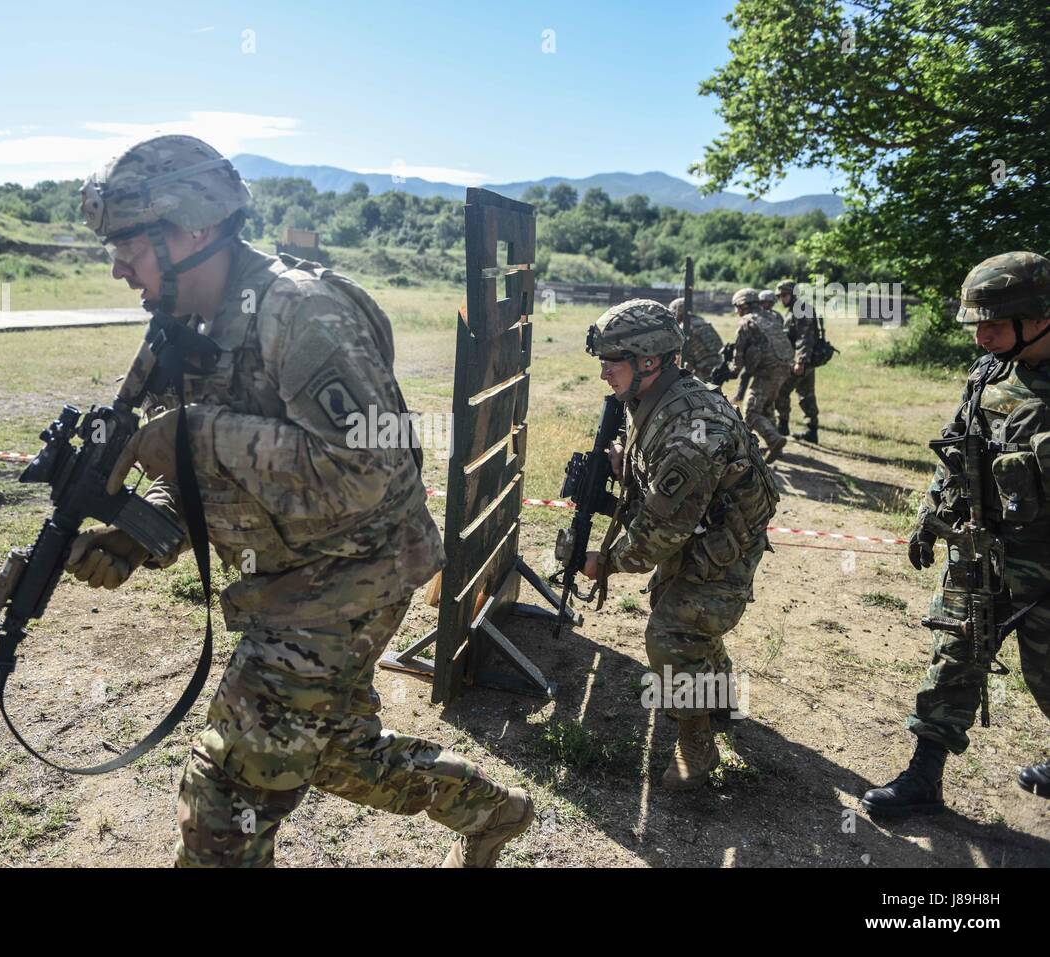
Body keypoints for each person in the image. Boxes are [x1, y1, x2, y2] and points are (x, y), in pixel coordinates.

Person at [67, 134, 532, 866]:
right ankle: (493, 810)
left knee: (226, 797)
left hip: (353, 575)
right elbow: (196, 468)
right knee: (336, 756)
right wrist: (140, 532)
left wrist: (198, 434)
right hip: (287, 576)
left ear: (191, 227)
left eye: (128, 241)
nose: (117, 263)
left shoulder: (301, 313)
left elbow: (365, 469)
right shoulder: (181, 321)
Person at [862, 252, 1050, 816]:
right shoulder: (991, 373)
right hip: (981, 552)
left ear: (1039, 315)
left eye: (994, 324)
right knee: (954, 656)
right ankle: (923, 778)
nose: (982, 337)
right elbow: (955, 447)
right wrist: (928, 515)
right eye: (978, 325)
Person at [578, 299, 779, 790]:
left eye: (613, 361)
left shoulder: (693, 428)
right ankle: (722, 697)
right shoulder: (652, 399)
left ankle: (697, 742)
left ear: (649, 360)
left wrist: (603, 563)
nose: (604, 373)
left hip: (720, 545)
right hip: (700, 533)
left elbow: (654, 541)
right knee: (687, 619)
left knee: (672, 633)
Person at [729, 287, 793, 462]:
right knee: (766, 407)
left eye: (737, 306)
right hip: (785, 368)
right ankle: (776, 450)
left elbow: (739, 354)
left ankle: (774, 440)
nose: (736, 311)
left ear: (744, 305)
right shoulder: (771, 316)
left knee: (750, 412)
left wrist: (732, 371)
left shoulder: (747, 322)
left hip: (767, 372)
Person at [774, 279, 820, 443]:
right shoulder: (796, 309)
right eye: (779, 296)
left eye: (784, 295)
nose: (781, 299)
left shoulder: (800, 310)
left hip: (799, 362)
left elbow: (804, 338)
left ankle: (782, 427)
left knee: (781, 392)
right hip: (806, 362)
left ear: (793, 294)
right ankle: (812, 431)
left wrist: (800, 361)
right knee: (806, 395)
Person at [669, 296, 723, 381]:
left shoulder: (684, 327)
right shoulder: (702, 321)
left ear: (678, 313)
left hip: (703, 370)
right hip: (718, 365)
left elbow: (678, 356)